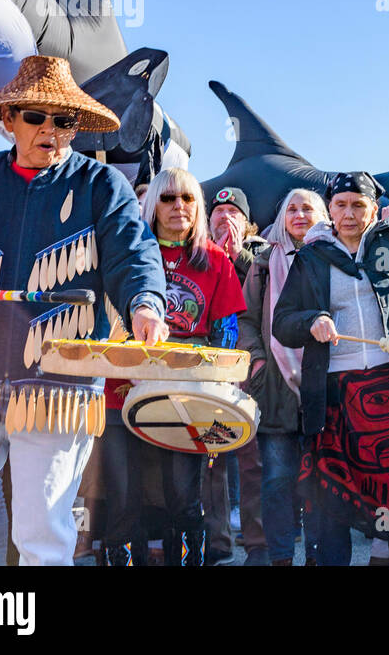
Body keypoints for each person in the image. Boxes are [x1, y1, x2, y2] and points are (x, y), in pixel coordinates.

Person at [0, 55, 168, 565]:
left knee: (46, 537)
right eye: (36, 117)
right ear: (9, 119)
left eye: (63, 120)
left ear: (76, 127)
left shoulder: (102, 188)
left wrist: (145, 303)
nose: (50, 130)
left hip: (57, 384)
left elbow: (135, 254)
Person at [272, 168, 389, 566]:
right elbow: (282, 323)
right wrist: (312, 321)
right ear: (331, 210)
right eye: (341, 205)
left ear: (374, 209)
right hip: (334, 393)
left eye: (359, 204)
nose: (350, 213)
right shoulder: (309, 257)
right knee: (330, 503)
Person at [102, 167, 246, 566]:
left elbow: (227, 334)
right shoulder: (126, 254)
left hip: (185, 397)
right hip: (119, 392)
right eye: (167, 198)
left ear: (198, 206)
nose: (178, 206)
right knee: (123, 500)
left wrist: (214, 393)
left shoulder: (215, 260)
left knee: (185, 500)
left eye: (187, 198)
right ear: (151, 204)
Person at [238, 188, 328, 565]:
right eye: (291, 208)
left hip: (323, 382)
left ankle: (317, 556)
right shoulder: (262, 262)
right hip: (274, 384)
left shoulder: (333, 259)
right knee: (276, 479)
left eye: (308, 208)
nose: (299, 214)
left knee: (320, 483)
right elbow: (245, 319)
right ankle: (279, 557)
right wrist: (258, 362)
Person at [203, 185, 268, 565]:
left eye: (233, 213)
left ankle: (257, 543)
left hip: (247, 374)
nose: (224, 217)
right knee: (210, 458)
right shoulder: (199, 254)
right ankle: (216, 541)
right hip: (209, 373)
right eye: (217, 211)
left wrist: (237, 254)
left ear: (247, 223)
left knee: (251, 460)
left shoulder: (260, 255)